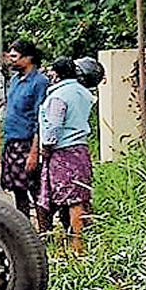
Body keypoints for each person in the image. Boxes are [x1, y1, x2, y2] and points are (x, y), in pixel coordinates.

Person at [37, 57, 101, 253]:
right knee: (78, 196)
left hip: (62, 152)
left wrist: (46, 146)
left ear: (56, 74)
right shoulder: (84, 93)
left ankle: (75, 243)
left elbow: (55, 125)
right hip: (80, 149)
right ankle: (76, 240)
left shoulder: (59, 96)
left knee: (70, 199)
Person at [1, 38, 50, 218]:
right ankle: (24, 229)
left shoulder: (39, 82)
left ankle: (45, 231)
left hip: (28, 142)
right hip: (11, 141)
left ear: (28, 57)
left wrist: (34, 151)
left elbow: (41, 118)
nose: (11, 60)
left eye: (15, 56)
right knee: (17, 190)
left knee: (36, 190)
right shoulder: (14, 80)